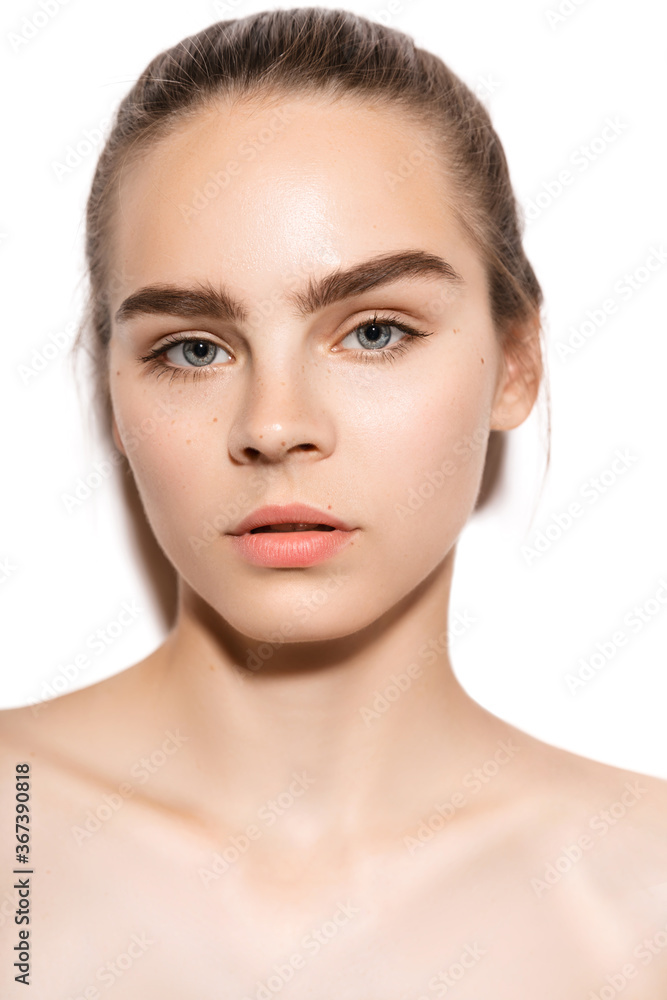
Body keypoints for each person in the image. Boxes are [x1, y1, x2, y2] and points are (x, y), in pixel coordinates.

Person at [1, 8, 665, 997]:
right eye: (194, 348)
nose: (275, 425)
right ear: (112, 389)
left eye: (374, 332)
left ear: (514, 361)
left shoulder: (646, 895)